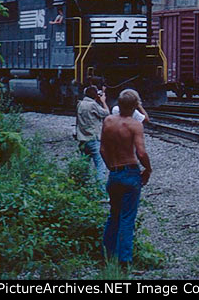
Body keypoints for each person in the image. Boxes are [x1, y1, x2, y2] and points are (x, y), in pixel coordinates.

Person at [99, 89, 152, 268]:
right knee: (127, 218)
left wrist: (111, 167)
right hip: (130, 172)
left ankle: (107, 257)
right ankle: (124, 261)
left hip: (114, 173)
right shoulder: (135, 125)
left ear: (119, 104)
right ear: (135, 106)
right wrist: (148, 169)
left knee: (113, 215)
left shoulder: (108, 121)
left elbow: (102, 150)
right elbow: (141, 152)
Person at [75, 85, 109, 193]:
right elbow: (106, 113)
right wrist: (103, 101)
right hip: (93, 140)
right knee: (100, 166)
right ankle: (101, 193)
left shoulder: (80, 104)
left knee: (84, 166)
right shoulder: (93, 105)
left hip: (82, 140)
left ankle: (81, 189)